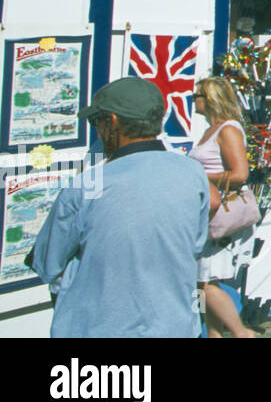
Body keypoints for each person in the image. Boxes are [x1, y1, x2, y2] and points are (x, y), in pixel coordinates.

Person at [30, 77, 209, 337]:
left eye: (96, 123)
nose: (97, 132)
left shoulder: (87, 186)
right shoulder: (193, 173)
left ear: (112, 122)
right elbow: (196, 244)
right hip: (175, 327)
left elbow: (48, 264)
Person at [191, 76, 257, 337]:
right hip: (207, 211)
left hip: (220, 212)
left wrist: (199, 176)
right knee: (203, 280)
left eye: (198, 95)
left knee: (205, 282)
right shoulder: (210, 130)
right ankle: (214, 333)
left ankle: (241, 333)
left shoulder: (227, 130)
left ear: (211, 99)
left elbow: (240, 174)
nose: (194, 99)